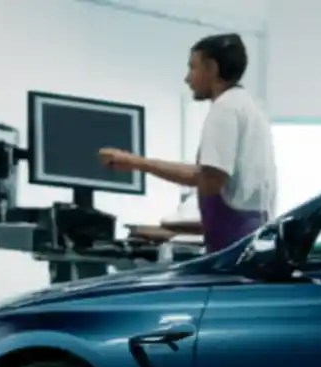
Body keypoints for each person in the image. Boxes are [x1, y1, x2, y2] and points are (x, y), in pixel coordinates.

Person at [99, 33, 277, 253]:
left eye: (193, 68)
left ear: (211, 68)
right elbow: (237, 196)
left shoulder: (225, 108)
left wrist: (135, 162)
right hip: (249, 241)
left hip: (232, 250)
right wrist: (177, 227)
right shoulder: (250, 108)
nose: (187, 78)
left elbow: (209, 179)